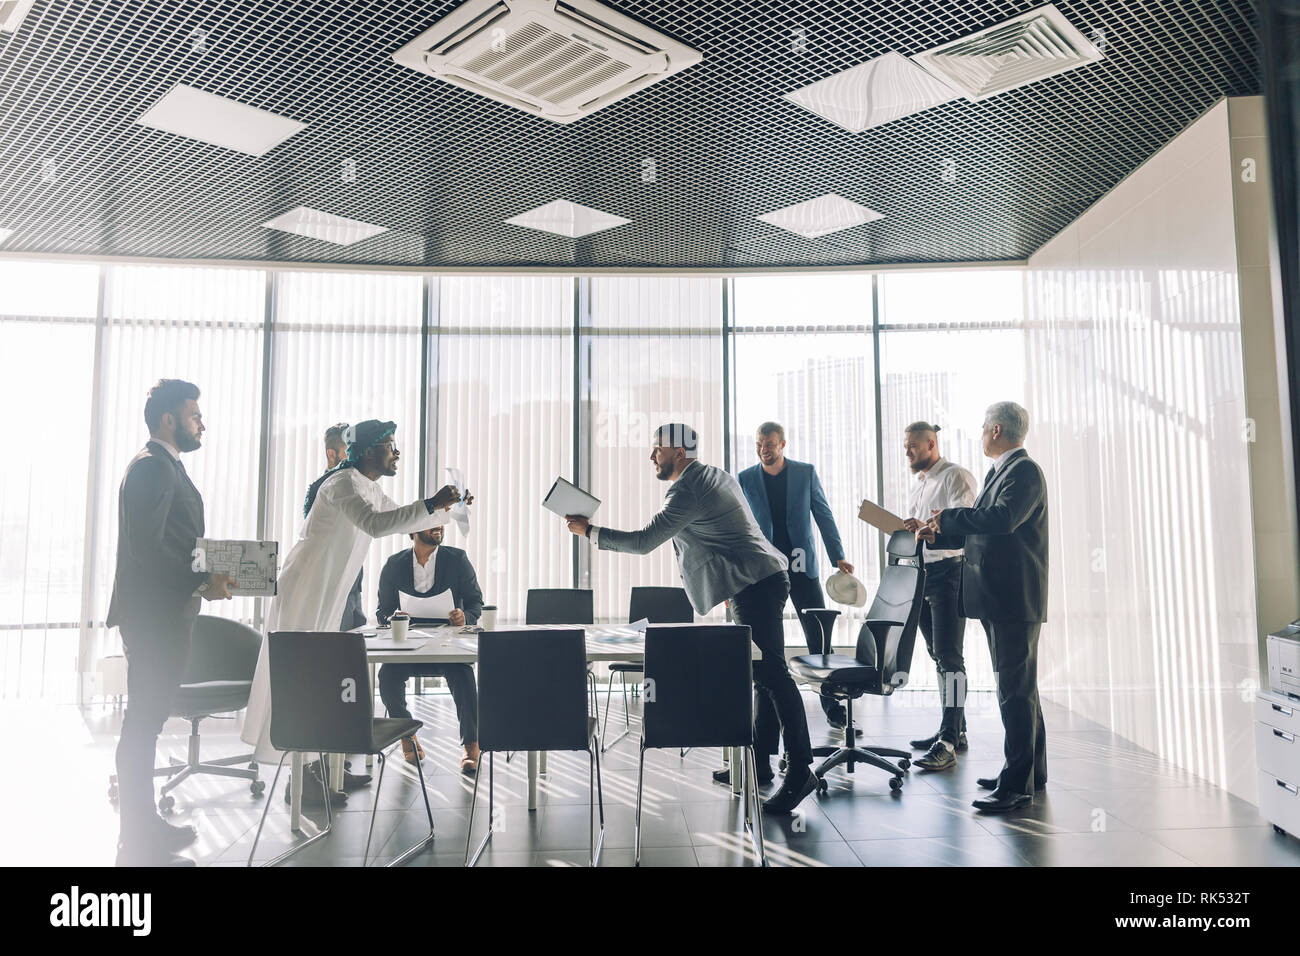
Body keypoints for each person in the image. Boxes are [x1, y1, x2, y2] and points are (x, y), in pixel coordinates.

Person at [564, 423, 818, 814]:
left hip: (757, 585)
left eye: (657, 451)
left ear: (678, 453)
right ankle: (762, 764)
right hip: (755, 583)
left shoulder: (689, 489)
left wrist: (590, 531)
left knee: (772, 675)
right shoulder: (712, 474)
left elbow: (644, 541)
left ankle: (801, 770)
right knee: (762, 673)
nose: (652, 457)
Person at [241, 419, 467, 807]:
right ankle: (302, 781)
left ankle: (319, 774)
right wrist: (432, 503)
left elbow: (401, 519)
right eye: (390, 445)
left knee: (319, 679)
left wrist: (443, 509)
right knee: (302, 680)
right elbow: (376, 525)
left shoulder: (369, 487)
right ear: (367, 450)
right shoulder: (342, 483)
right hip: (307, 587)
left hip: (328, 590)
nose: (397, 452)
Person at [107, 379, 236, 866]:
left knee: (148, 720)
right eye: (193, 414)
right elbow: (148, 551)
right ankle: (136, 836)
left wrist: (204, 579)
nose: (202, 422)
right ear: (168, 420)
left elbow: (167, 544)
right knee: (143, 722)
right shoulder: (152, 469)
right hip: (154, 618)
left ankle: (143, 827)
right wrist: (203, 580)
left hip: (161, 614)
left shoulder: (163, 467)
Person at [919, 401, 1049, 812]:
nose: (979, 433)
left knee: (1015, 691)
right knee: (1021, 690)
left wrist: (951, 516)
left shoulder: (1023, 471)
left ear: (996, 430)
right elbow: (981, 528)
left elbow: (1001, 519)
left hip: (1015, 599)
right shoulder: (1001, 472)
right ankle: (1030, 774)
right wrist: (935, 534)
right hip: (1001, 598)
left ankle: (1016, 786)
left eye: (982, 427)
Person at [737, 422, 856, 729]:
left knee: (818, 636)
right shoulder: (746, 478)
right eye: (760, 444)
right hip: (766, 571)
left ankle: (831, 706)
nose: (764, 448)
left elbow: (823, 514)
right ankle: (765, 716)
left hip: (803, 569)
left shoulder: (804, 473)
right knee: (765, 644)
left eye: (770, 443)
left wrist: (837, 555)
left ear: (783, 444)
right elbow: (740, 525)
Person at [898, 421, 978, 772]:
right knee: (937, 655)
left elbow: (964, 521)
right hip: (923, 575)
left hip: (949, 575)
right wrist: (916, 528)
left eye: (913, 446)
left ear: (931, 443)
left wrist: (936, 528)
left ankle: (947, 741)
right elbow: (929, 530)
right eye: (906, 446)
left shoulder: (955, 476)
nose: (908, 452)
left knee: (950, 658)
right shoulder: (921, 484)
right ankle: (955, 730)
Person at [375, 525, 483, 774]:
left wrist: (465, 616)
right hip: (409, 644)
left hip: (448, 644)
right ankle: (407, 735)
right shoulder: (394, 564)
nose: (439, 527)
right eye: (431, 521)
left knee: (464, 676)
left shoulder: (457, 559)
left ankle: (471, 744)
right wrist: (393, 616)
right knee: (387, 677)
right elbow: (382, 610)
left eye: (441, 522)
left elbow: (476, 601)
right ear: (412, 528)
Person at [324, 424, 366, 631]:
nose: (355, 456)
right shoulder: (327, 488)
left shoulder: (357, 485)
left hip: (353, 587)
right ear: (332, 454)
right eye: (348, 450)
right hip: (334, 589)